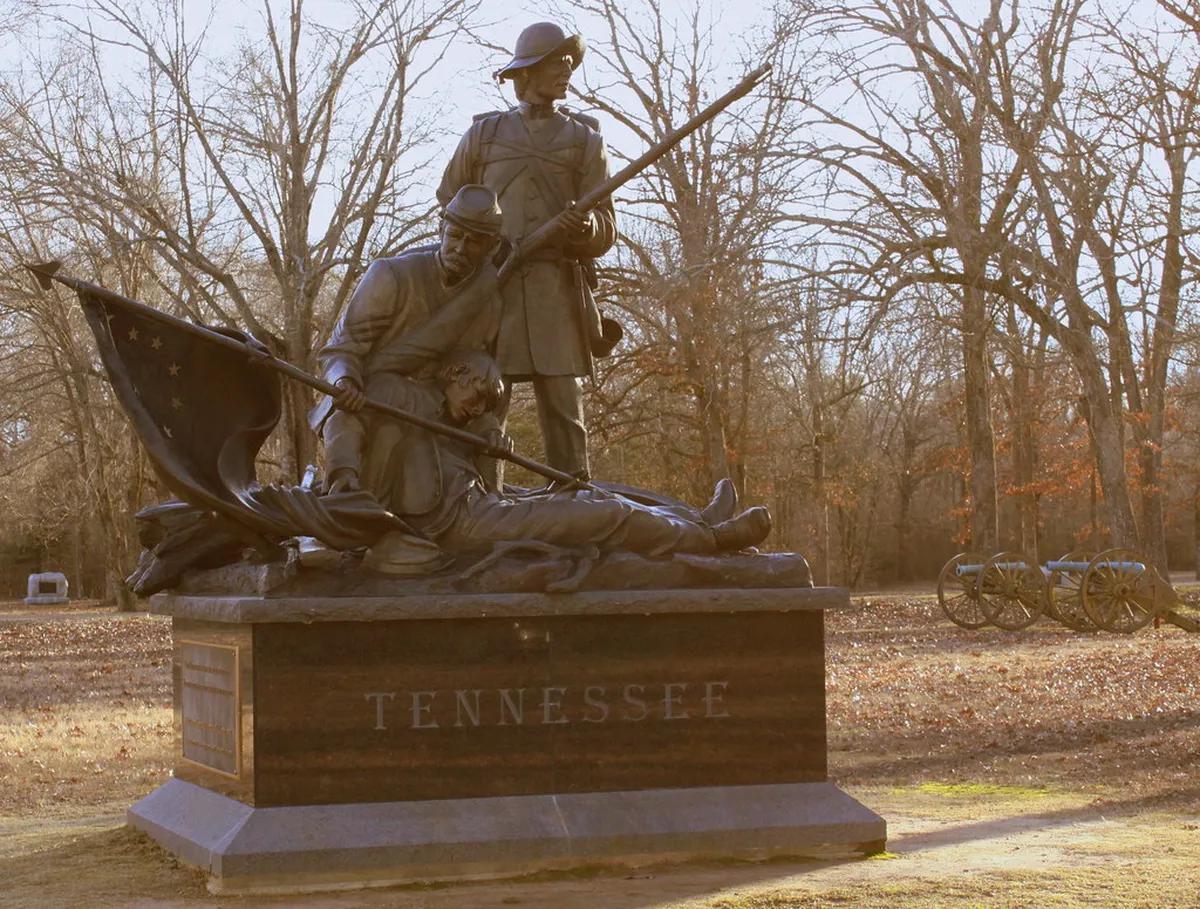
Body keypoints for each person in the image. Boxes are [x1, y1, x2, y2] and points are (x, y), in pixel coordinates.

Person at [364, 348, 771, 567]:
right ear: (456, 375)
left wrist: (489, 438)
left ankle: (695, 520)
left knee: (588, 494)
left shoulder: (452, 418)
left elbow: (469, 434)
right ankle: (711, 540)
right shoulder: (401, 401)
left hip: (482, 504)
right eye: (478, 397)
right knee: (603, 513)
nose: (478, 409)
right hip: (463, 521)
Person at [437, 21, 619, 480]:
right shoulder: (484, 135)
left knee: (564, 409)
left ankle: (575, 504)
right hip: (491, 289)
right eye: (557, 62)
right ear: (529, 70)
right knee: (484, 407)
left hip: (555, 292)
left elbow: (606, 232)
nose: (566, 71)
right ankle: (478, 503)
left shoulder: (585, 141)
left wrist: (584, 228)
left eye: (569, 63)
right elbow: (450, 202)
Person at [312, 184, 507, 498]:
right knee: (349, 421)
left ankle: (491, 511)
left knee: (480, 455)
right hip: (369, 396)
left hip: (433, 412)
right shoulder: (389, 276)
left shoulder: (488, 302)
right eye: (455, 235)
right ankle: (344, 493)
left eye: (474, 242)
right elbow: (341, 350)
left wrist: (492, 431)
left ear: (492, 247)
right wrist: (346, 380)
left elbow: (475, 377)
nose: (460, 248)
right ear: (441, 227)